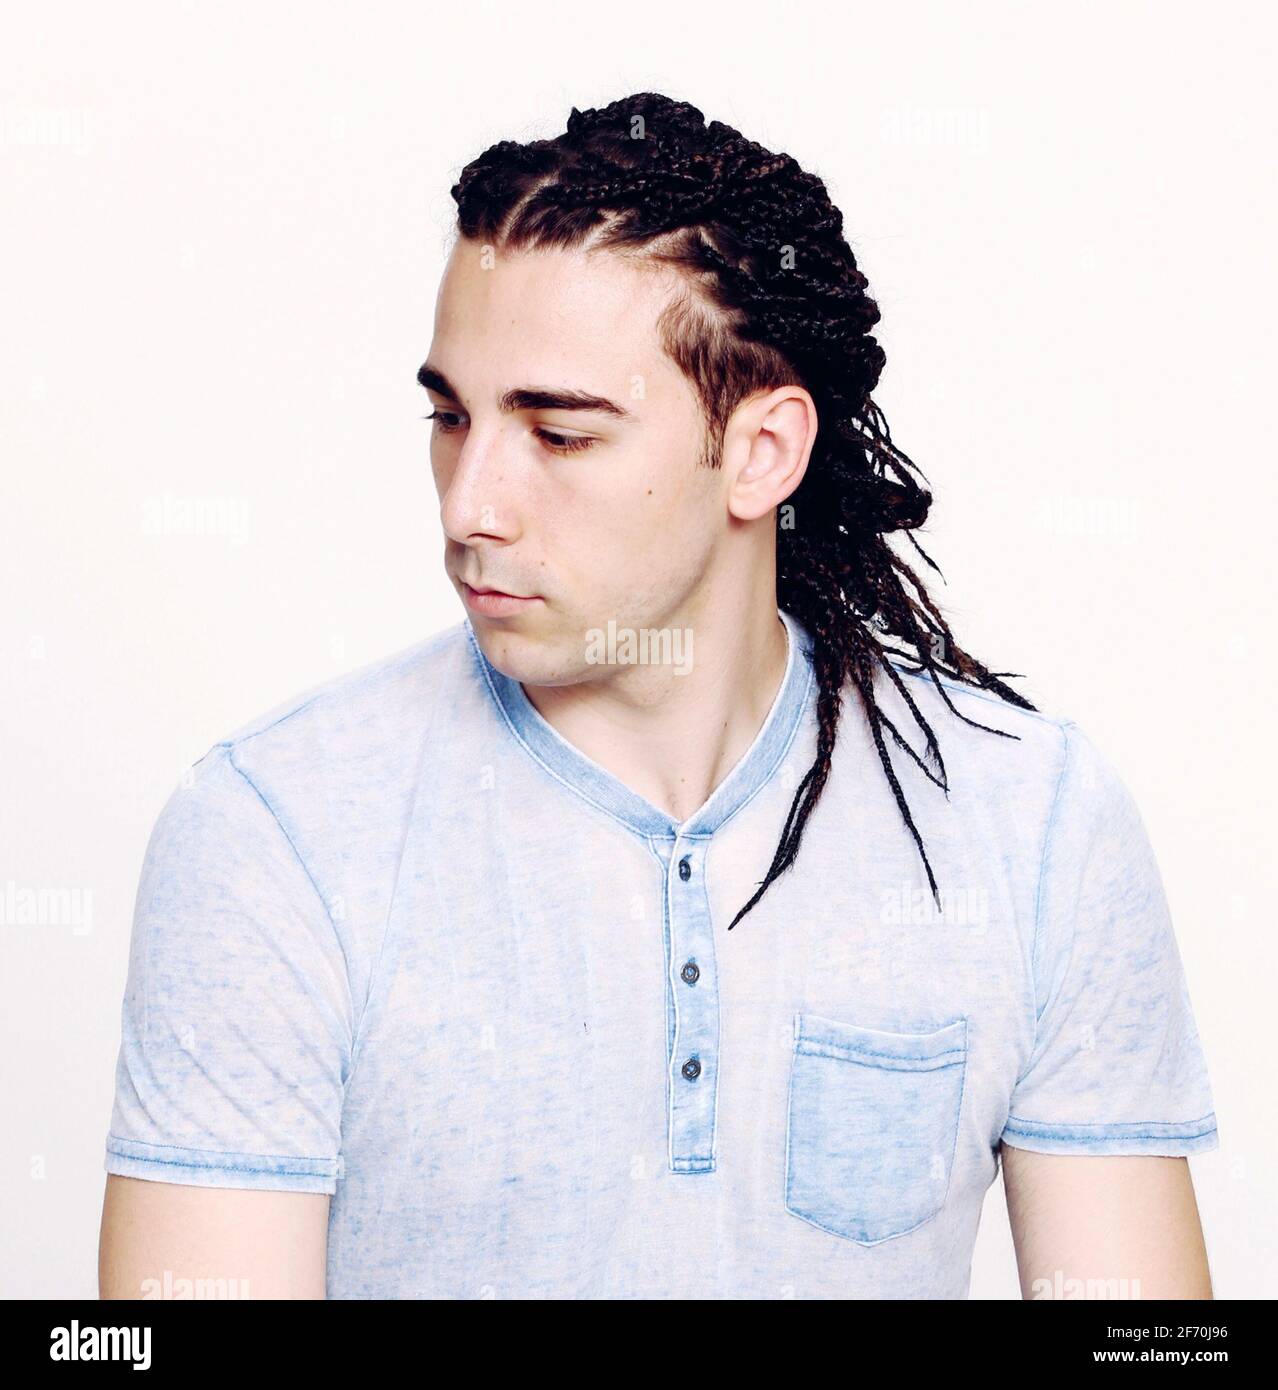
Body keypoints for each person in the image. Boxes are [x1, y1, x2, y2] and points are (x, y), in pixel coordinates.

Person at [98, 92, 1218, 1300]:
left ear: (760, 453)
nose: (470, 503)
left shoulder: (1030, 819)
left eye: (560, 434)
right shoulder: (276, 833)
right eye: (450, 417)